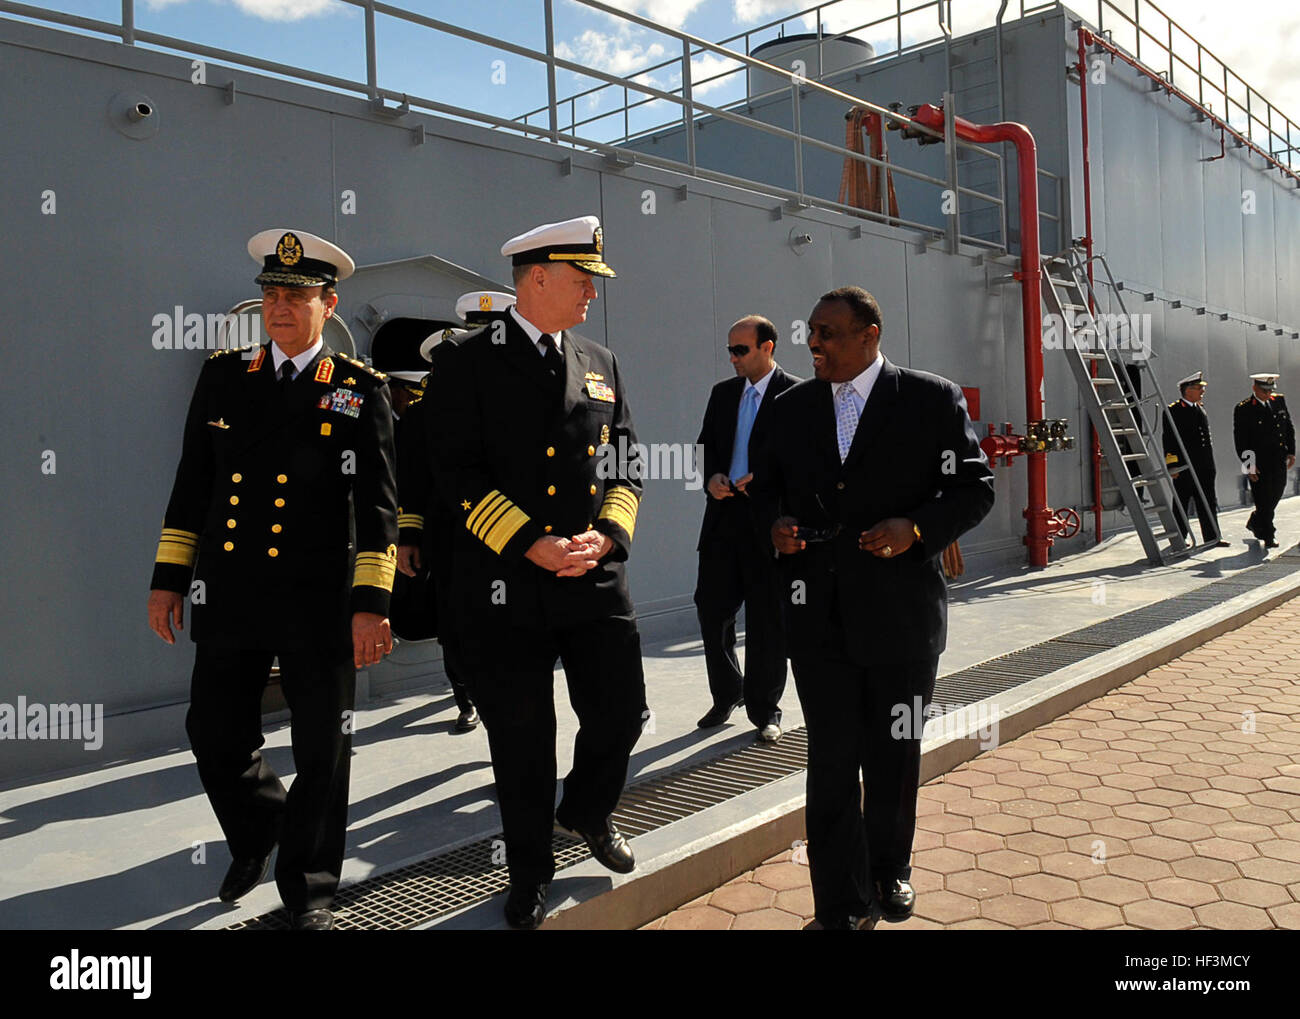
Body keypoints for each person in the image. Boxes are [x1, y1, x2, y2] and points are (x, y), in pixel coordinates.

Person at [147, 229, 398, 930]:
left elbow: (377, 508)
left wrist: (372, 603)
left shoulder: (357, 388)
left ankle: (310, 887)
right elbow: (192, 484)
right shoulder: (226, 376)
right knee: (213, 728)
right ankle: (262, 827)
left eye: (296, 295)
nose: (280, 306)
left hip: (320, 599)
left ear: (329, 303)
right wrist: (169, 578)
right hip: (231, 587)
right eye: (270, 294)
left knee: (323, 743)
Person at [426, 216, 647, 930]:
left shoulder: (600, 359)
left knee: (622, 711)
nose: (592, 291)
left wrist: (608, 535)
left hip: (591, 578)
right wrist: (528, 542)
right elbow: (451, 472)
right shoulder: (467, 360)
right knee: (522, 742)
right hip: (506, 586)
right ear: (537, 278)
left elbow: (625, 461)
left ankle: (586, 810)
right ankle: (528, 874)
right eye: (582, 279)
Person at [753, 286, 994, 929]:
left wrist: (916, 528)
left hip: (902, 620)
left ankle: (892, 871)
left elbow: (974, 488)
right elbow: (765, 489)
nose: (815, 345)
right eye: (812, 335)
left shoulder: (929, 399)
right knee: (830, 761)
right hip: (817, 618)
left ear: (870, 334)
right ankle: (840, 901)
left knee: (893, 756)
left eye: (829, 333)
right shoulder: (790, 407)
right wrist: (774, 525)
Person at [694, 315, 799, 741]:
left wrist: (768, 482)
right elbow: (706, 446)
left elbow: (807, 463)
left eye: (742, 350)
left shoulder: (797, 395)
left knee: (766, 620)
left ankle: (765, 709)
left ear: (767, 347)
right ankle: (727, 692)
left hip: (768, 524)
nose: (733, 358)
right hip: (723, 519)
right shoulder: (723, 394)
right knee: (710, 608)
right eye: (730, 350)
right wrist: (712, 478)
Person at [377, 323, 481, 732]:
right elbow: (412, 481)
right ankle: (466, 699)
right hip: (448, 539)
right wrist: (409, 538)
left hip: (506, 541)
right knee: (453, 625)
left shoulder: (500, 406)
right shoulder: (420, 416)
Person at [1162, 371, 1228, 547]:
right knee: (1181, 501)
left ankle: (1212, 536)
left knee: (1208, 501)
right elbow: (1169, 440)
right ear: (1187, 390)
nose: (1202, 391)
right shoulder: (1173, 411)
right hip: (1184, 466)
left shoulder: (1200, 409)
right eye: (1199, 388)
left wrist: (1210, 465)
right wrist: (1172, 465)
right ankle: (1179, 538)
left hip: (1204, 466)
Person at [1233, 372, 1295, 549]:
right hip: (1259, 462)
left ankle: (1256, 520)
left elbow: (1288, 427)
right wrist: (1249, 465)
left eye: (1270, 390)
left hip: (1278, 459)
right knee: (1262, 498)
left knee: (1276, 494)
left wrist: (1291, 451)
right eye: (1264, 390)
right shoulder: (1244, 408)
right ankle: (1269, 535)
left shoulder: (1278, 401)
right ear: (1255, 388)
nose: (1268, 394)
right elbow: (1241, 440)